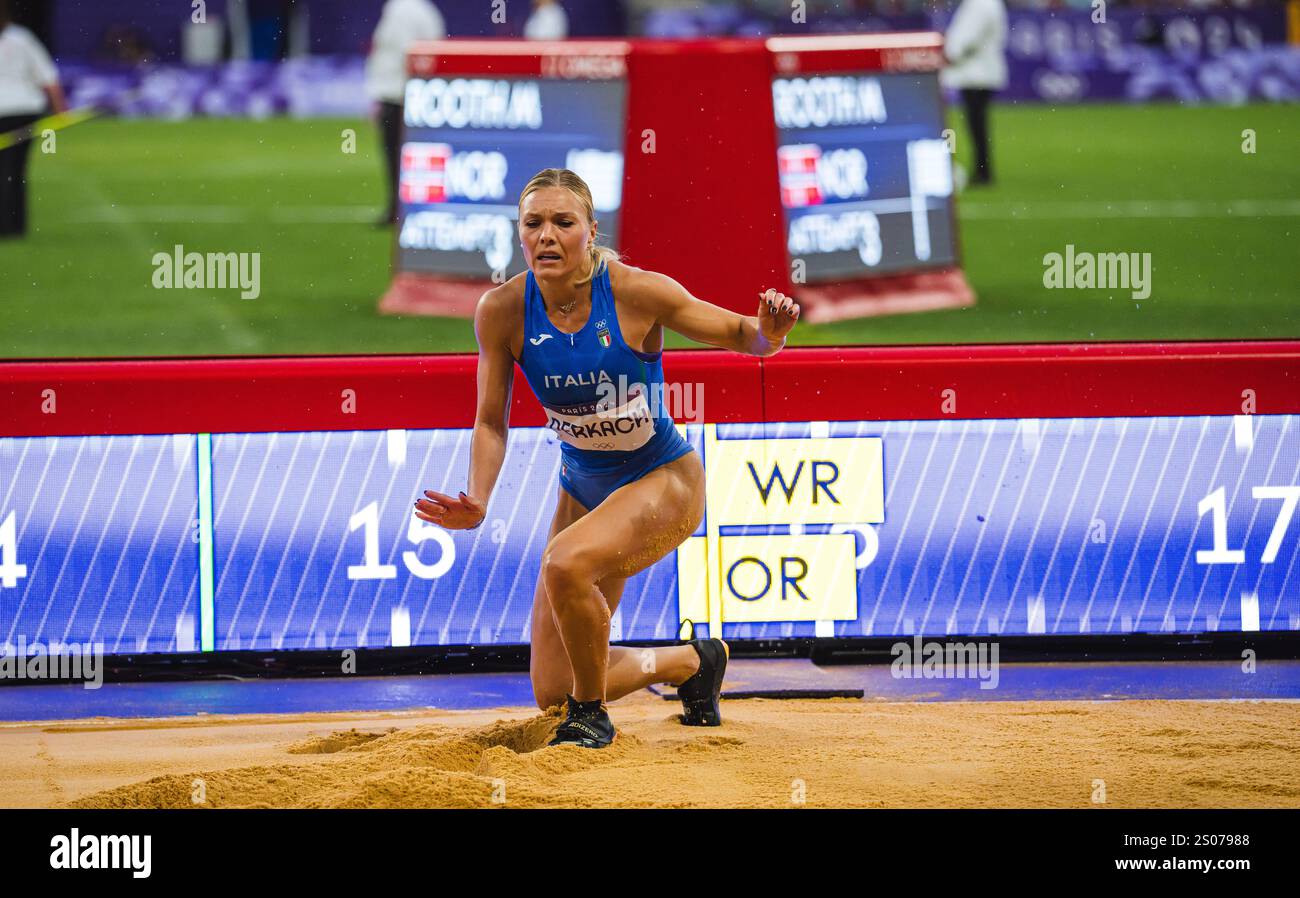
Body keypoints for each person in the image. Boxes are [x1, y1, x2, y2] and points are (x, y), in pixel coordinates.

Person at [413, 168, 800, 748]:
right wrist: (479, 499)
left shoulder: (636, 292)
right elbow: (491, 421)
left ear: (590, 231)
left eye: (562, 223)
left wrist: (771, 331)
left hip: (662, 482)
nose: (547, 235)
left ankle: (591, 718)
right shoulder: (501, 311)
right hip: (582, 491)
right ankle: (692, 665)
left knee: (564, 566)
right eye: (533, 223)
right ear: (519, 235)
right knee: (552, 688)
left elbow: (745, 336)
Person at [364, 0, 445, 226]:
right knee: (410, 156)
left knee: (395, 155)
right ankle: (407, 207)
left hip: (398, 94)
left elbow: (400, 54)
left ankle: (398, 208)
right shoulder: (426, 10)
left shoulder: (401, 9)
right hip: (409, 91)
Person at [0, 0, 65, 238]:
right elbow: (48, 77)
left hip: (7, 112)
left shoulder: (21, 38)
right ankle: (15, 227)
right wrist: (61, 112)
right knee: (15, 169)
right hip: (24, 111)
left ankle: (6, 227)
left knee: (4, 169)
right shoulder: (22, 38)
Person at [942, 0, 1008, 187]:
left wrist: (950, 52)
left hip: (976, 73)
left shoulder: (980, 4)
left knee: (976, 125)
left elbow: (967, 35)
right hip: (983, 71)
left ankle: (983, 170)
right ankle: (982, 169)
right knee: (977, 125)